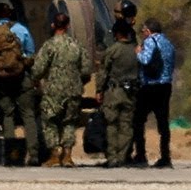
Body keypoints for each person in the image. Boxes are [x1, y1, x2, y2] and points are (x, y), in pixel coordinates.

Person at [31, 12, 90, 167]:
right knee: (70, 122)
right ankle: (68, 155)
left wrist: (36, 80)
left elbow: (38, 69)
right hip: (73, 90)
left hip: (53, 90)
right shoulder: (77, 45)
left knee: (50, 121)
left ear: (53, 25)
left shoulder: (49, 45)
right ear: (68, 26)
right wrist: (78, 82)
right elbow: (86, 70)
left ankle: (55, 155)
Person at [0, 3, 40, 164]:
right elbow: (30, 52)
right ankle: (33, 154)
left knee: (7, 115)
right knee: (28, 115)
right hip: (21, 77)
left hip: (1, 79)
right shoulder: (21, 29)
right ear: (11, 14)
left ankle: (11, 154)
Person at [133, 18, 176, 168]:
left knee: (138, 120)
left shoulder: (150, 42)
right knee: (163, 122)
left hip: (150, 85)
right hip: (166, 85)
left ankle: (140, 154)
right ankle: (165, 156)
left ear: (148, 30)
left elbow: (145, 60)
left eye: (143, 31)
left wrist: (138, 52)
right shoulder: (168, 43)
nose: (143, 34)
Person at [96, 19, 140, 168]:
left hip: (113, 92)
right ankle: (122, 156)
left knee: (111, 124)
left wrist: (99, 90)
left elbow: (103, 72)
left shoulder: (112, 50)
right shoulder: (135, 50)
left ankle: (112, 156)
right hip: (130, 92)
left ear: (117, 34)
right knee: (126, 125)